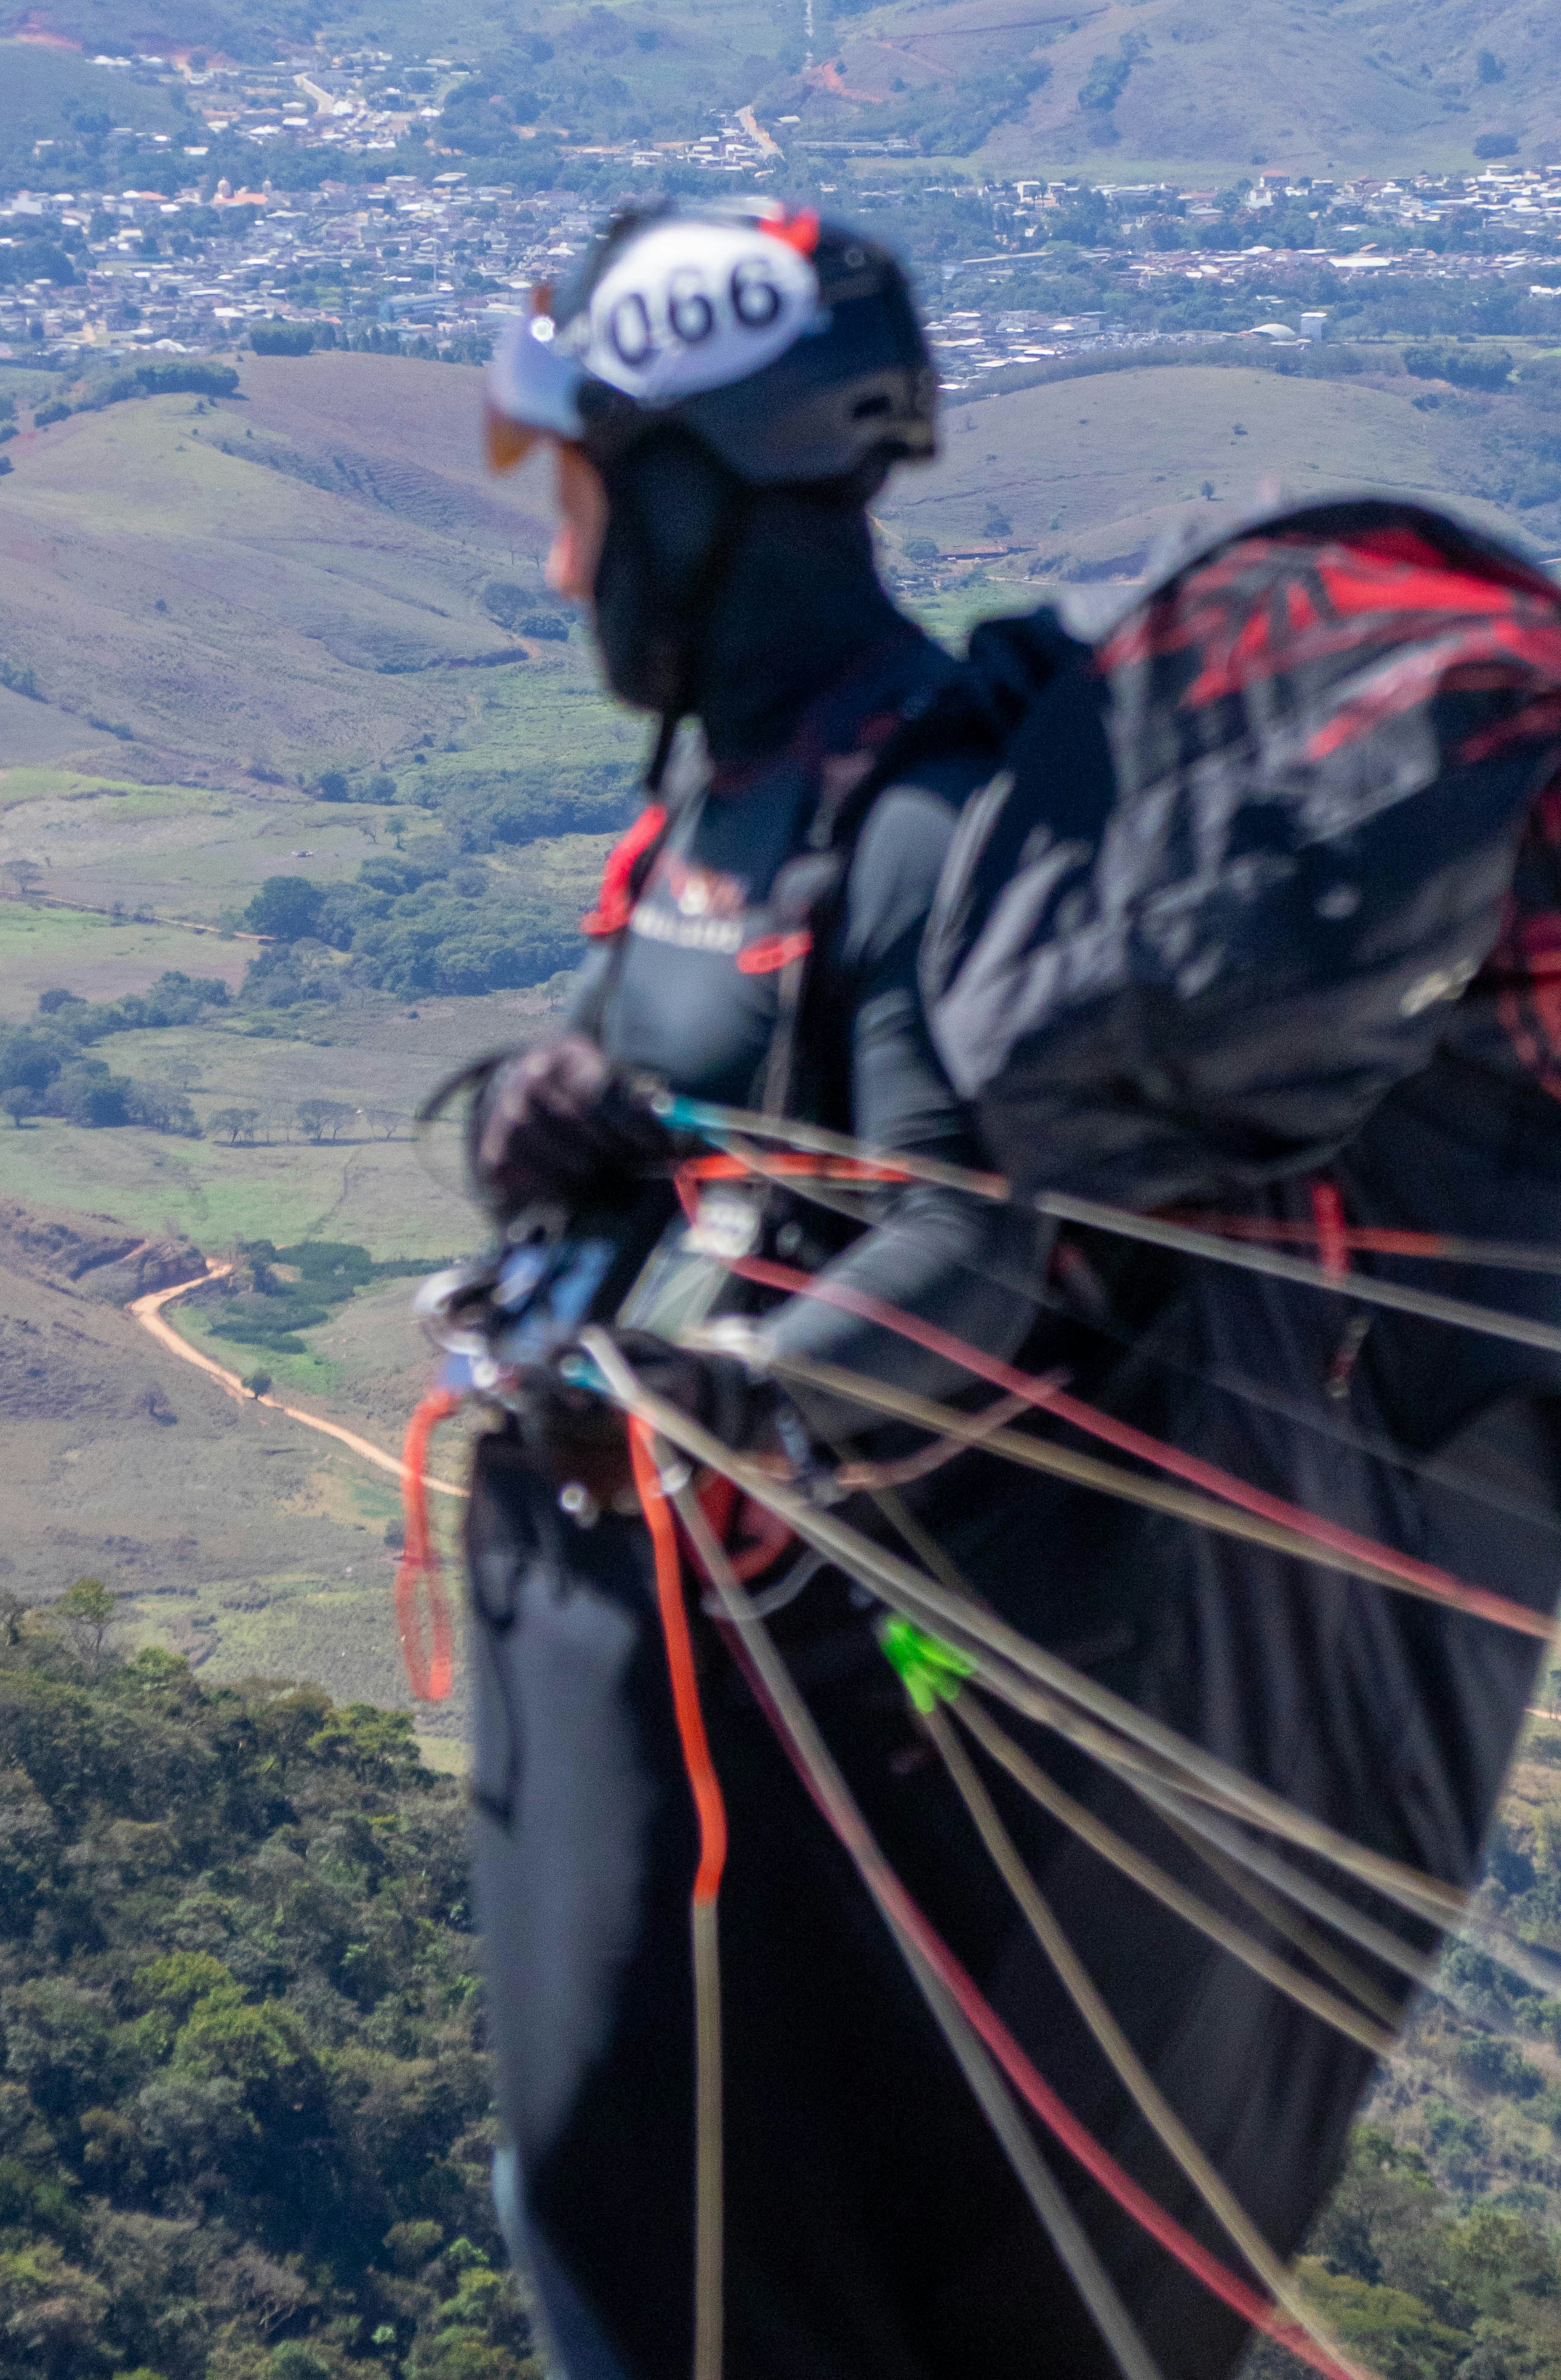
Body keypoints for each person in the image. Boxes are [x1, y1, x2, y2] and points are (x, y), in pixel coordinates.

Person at [448, 202, 1561, 2380]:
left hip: (867, 1746)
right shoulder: (723, 812)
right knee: (612, 2197)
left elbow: (980, 1241)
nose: (566, 562)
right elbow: (741, 1136)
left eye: (580, 491)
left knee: (780, 2264)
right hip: (694, 1694)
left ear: (691, 484)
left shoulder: (934, 822)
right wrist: (556, 1130)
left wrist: (738, 1404)